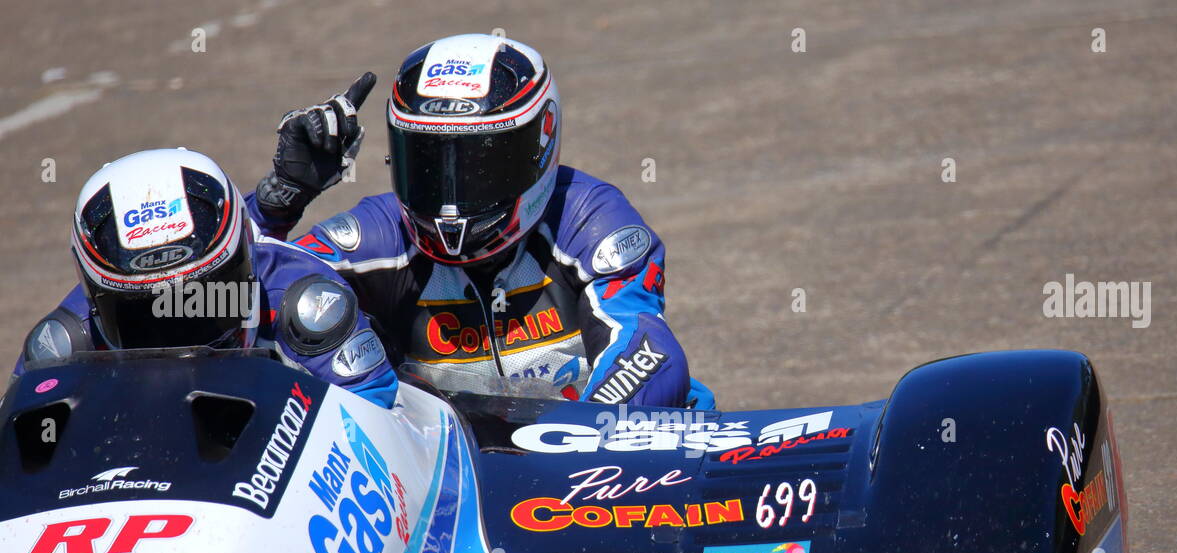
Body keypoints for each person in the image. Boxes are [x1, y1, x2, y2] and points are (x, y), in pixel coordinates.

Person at [250, 33, 698, 407]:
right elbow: (234, 300)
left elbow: (648, 351)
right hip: (456, 481)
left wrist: (576, 444)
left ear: (540, 144)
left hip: (597, 473)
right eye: (428, 165)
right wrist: (278, 202)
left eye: (479, 167)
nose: (451, 200)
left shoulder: (588, 219)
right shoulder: (374, 237)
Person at [17, 148, 398, 408]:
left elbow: (376, 409)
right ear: (94, 296)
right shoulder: (61, 347)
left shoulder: (304, 304)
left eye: (204, 298)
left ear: (246, 255)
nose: (178, 331)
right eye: (145, 314)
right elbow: (24, 453)